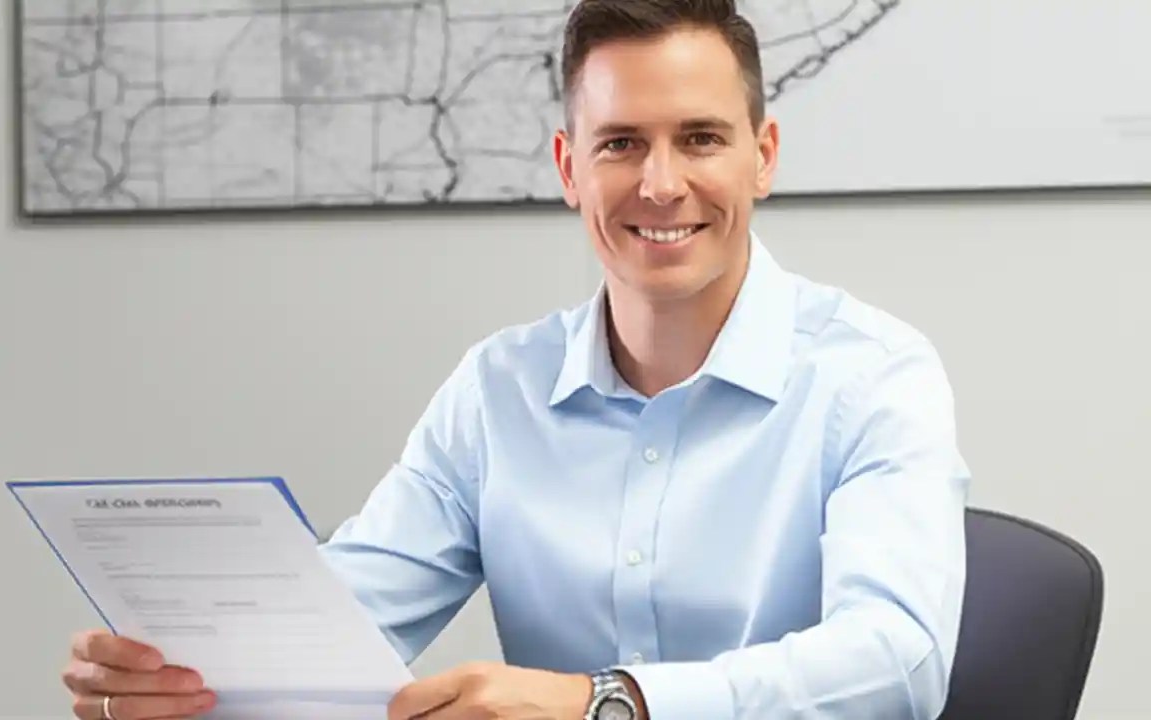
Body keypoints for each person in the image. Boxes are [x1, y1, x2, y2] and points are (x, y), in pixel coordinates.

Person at [60, 1, 970, 718]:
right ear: (570, 168)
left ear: (761, 158)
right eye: (621, 144)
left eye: (700, 138)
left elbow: (897, 660)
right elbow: (336, 626)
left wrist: (606, 703)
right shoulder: (499, 391)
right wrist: (184, 672)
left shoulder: (874, 376)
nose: (660, 184)